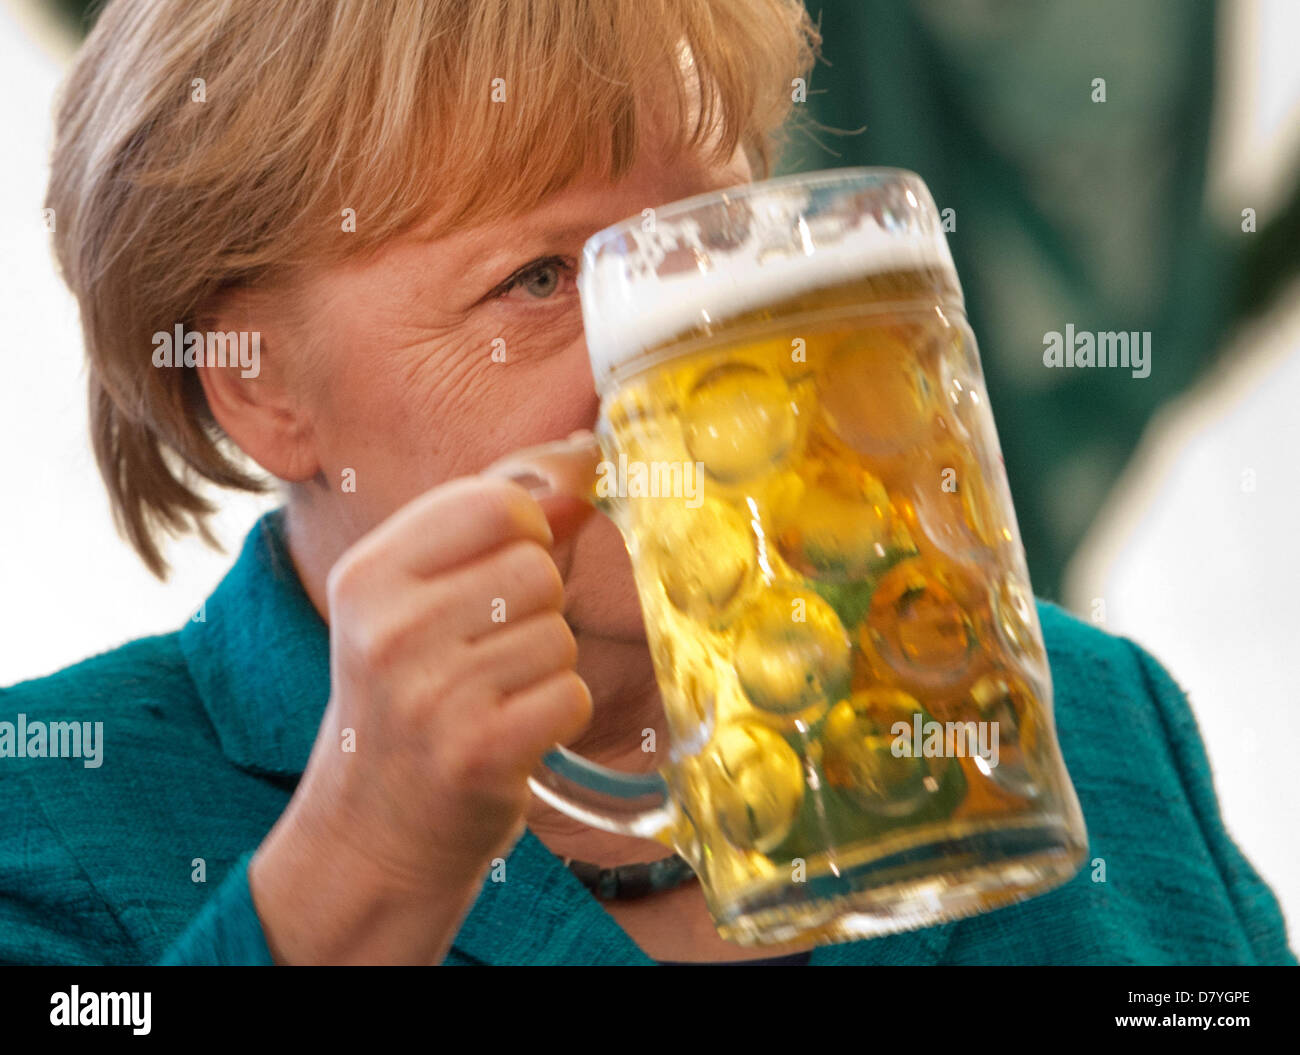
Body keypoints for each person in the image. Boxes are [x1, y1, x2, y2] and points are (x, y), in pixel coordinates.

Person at [1, 0, 1293, 966]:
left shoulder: (1098, 723)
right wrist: (370, 864)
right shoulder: (52, 816)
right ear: (257, 385)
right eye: (544, 279)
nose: (707, 368)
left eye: (709, 234)